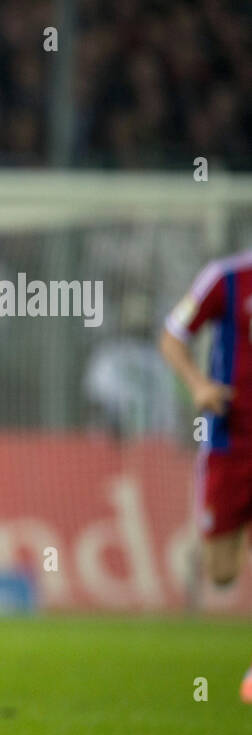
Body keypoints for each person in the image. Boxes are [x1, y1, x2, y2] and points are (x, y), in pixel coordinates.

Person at [158, 247, 252, 702]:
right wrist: (198, 385)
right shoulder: (226, 278)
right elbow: (173, 335)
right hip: (228, 440)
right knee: (221, 572)